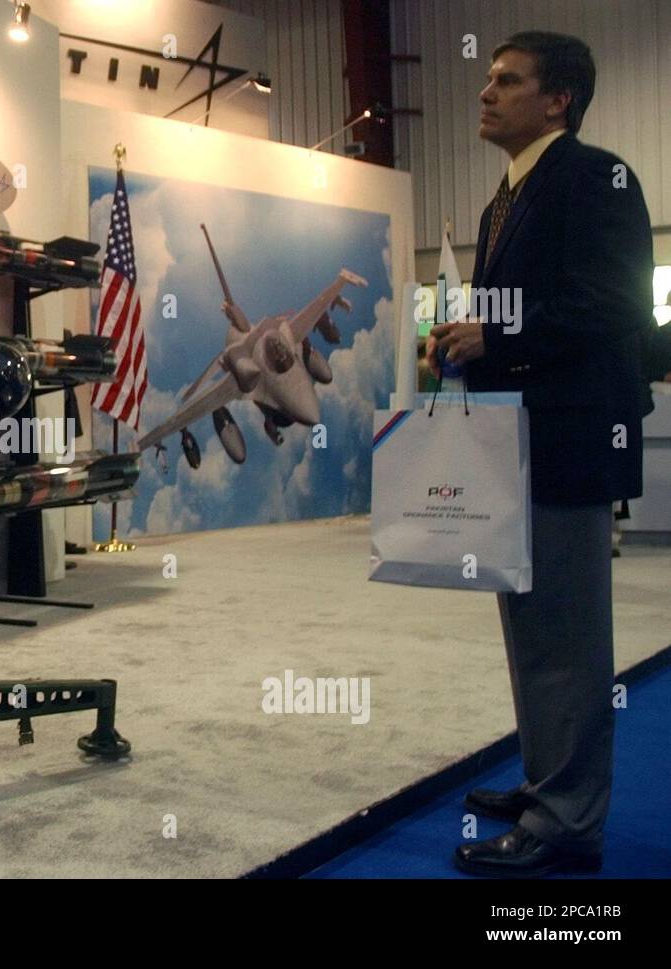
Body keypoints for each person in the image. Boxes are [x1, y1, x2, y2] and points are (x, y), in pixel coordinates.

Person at [427, 30, 655, 877]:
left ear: (558, 99)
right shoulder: (504, 198)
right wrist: (464, 342)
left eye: (507, 80)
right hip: (512, 440)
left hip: (568, 440)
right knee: (530, 627)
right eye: (487, 79)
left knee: (566, 634)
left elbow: (614, 305)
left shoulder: (597, 179)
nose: (485, 93)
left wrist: (498, 332)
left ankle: (569, 820)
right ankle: (544, 779)